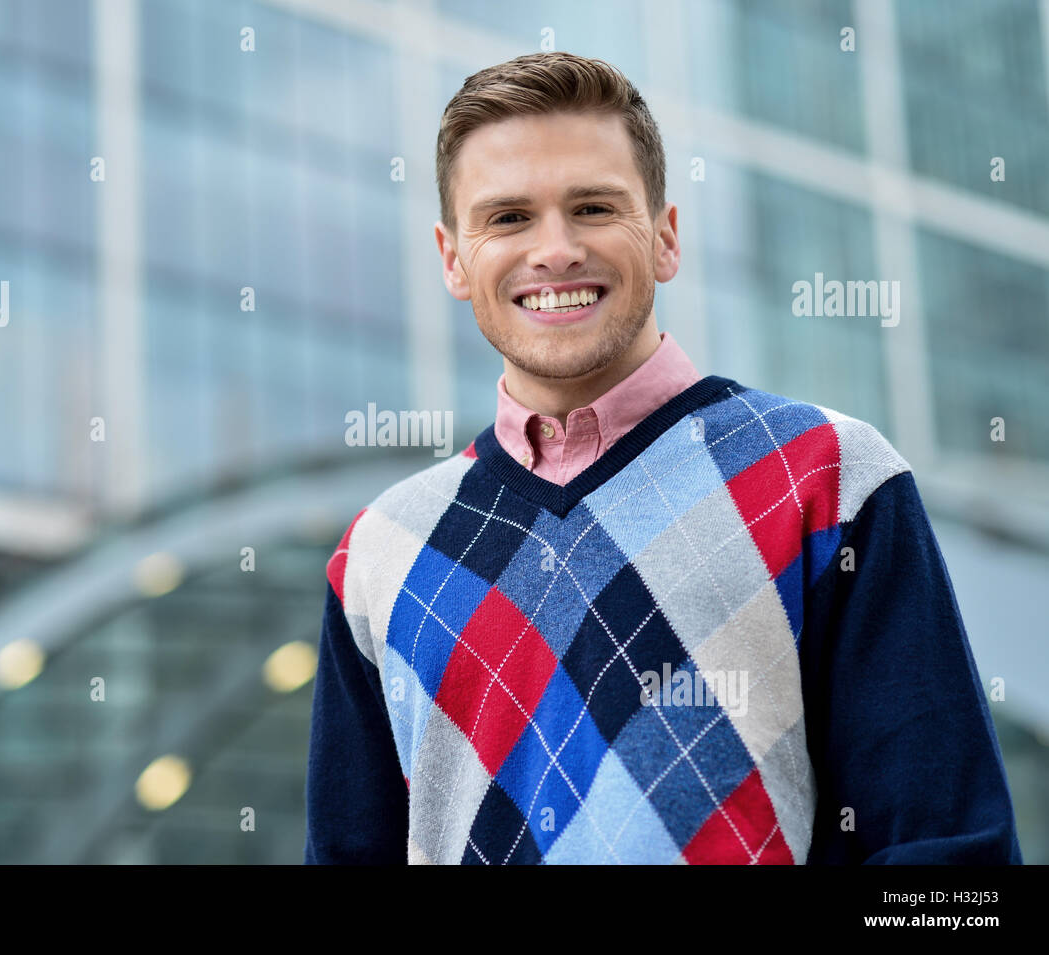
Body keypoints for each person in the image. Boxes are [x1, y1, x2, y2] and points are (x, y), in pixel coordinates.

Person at [304, 51, 1021, 865]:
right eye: (507, 218)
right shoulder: (378, 552)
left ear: (667, 237)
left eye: (594, 206)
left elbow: (951, 867)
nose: (556, 250)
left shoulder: (830, 477)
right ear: (452, 260)